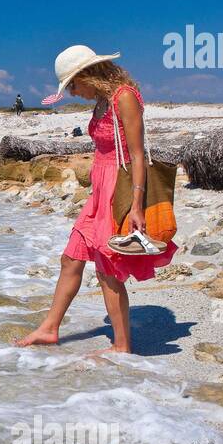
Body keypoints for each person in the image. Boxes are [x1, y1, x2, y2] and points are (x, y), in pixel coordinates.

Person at [15, 45, 176, 354]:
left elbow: (138, 155)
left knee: (108, 270)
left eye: (73, 85)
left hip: (120, 190)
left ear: (87, 75)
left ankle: (122, 345)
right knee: (71, 258)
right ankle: (49, 328)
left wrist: (137, 206)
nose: (73, 92)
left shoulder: (124, 98)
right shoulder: (102, 101)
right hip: (99, 191)